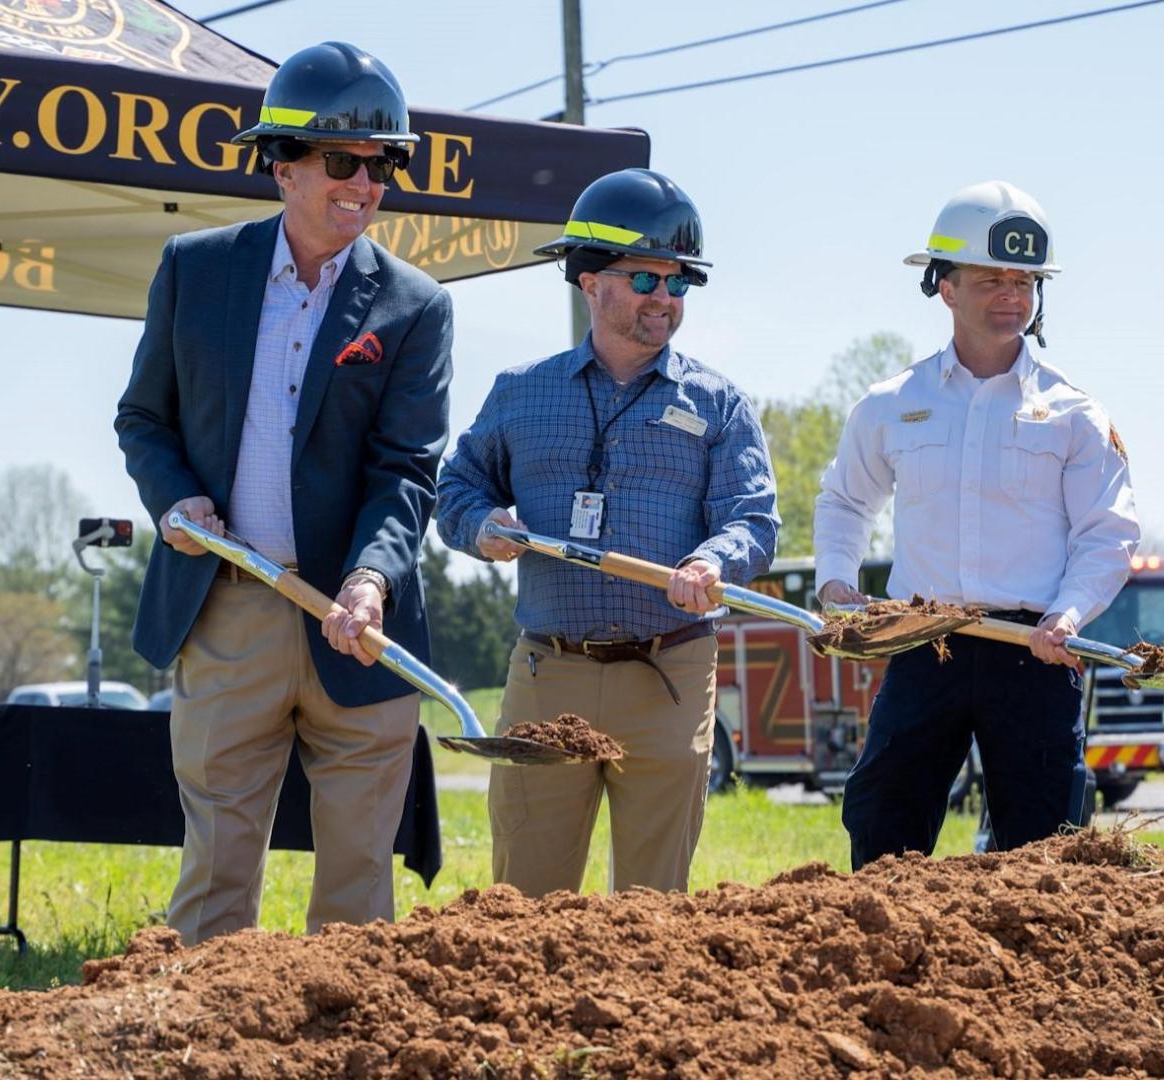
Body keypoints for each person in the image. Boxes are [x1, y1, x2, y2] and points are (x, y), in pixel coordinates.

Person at [115, 42, 453, 944]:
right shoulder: (195, 270)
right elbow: (143, 420)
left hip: (360, 624)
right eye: (343, 161)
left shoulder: (417, 306)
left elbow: (406, 469)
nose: (366, 183)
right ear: (283, 166)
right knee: (217, 878)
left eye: (384, 164)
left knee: (356, 895)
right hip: (227, 611)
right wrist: (175, 499)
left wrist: (372, 578)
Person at [435, 168, 777, 897]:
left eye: (679, 282)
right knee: (521, 899)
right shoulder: (521, 392)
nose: (665, 297)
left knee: (654, 906)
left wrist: (712, 560)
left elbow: (752, 518)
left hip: (671, 674)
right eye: (646, 278)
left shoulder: (718, 404)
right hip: (547, 672)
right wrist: (481, 526)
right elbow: (455, 489)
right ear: (590, 281)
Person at [815, 181, 1140, 868]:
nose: (1012, 296)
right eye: (991, 278)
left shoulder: (1076, 413)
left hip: (1035, 652)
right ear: (944, 286)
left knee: (1044, 848)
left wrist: (1070, 615)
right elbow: (845, 502)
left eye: (1025, 281)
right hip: (921, 646)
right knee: (881, 828)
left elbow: (1108, 533)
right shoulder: (890, 405)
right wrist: (837, 587)